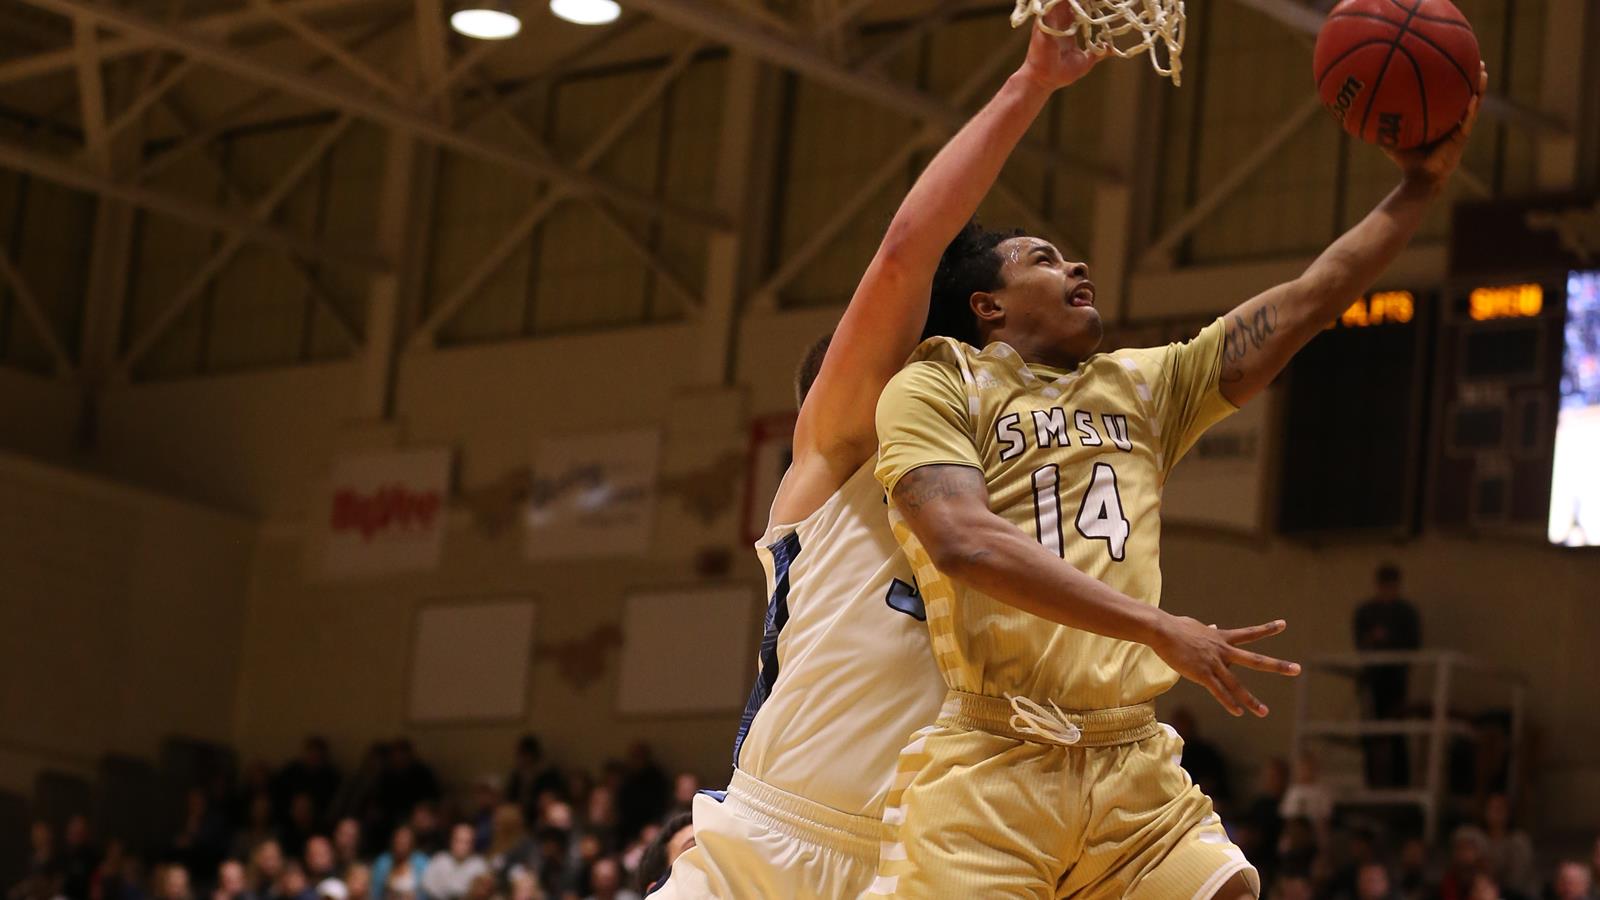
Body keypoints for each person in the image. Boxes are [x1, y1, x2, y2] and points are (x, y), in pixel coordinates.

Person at [650, 9, 1297, 900]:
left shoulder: (1011, 495)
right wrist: (1030, 83)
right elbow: (903, 256)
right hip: (773, 842)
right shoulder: (838, 452)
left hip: (934, 858)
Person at [867, 48, 1486, 895]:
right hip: (993, 760)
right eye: (1046, 259)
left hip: (1131, 765)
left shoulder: (1145, 385)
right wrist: (1157, 626)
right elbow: (963, 542)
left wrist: (1419, 187)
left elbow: (1311, 297)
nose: (1077, 267)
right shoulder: (937, 382)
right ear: (990, 306)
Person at [1353, 563, 1422, 787]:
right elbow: (1360, 643)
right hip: (1372, 677)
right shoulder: (1366, 611)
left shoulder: (1406, 613)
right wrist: (1373, 639)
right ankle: (1371, 781)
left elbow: (1413, 644)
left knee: (1396, 731)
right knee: (1370, 731)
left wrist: (1388, 639)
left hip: (1396, 678)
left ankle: (1400, 783)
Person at [420, 825, 488, 900]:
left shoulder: (479, 865)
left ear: (473, 844)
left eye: (467, 842)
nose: (463, 846)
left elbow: (481, 892)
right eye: (459, 841)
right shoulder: (439, 859)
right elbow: (427, 885)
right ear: (451, 841)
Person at [368, 827, 426, 900]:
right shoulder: (383, 863)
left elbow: (425, 893)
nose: (401, 843)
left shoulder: (421, 863)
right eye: (399, 840)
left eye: (405, 841)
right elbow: (375, 892)